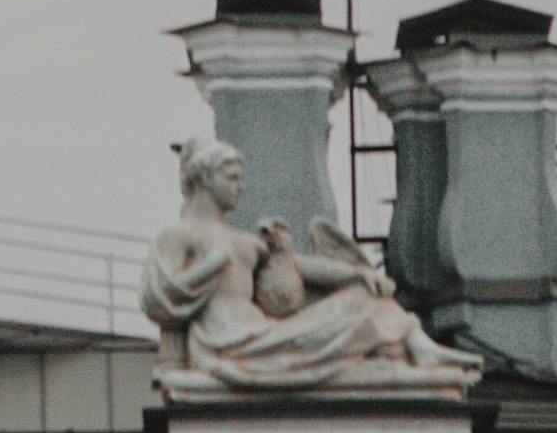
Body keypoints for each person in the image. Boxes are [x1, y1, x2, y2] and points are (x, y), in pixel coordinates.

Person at [140, 133, 467, 391]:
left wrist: (356, 275)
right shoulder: (180, 235)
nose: (241, 186)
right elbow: (159, 297)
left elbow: (303, 267)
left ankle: (419, 345)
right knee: (359, 320)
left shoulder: (244, 242)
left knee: (367, 298)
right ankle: (411, 348)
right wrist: (211, 265)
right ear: (206, 178)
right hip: (226, 339)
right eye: (232, 177)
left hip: (260, 330)